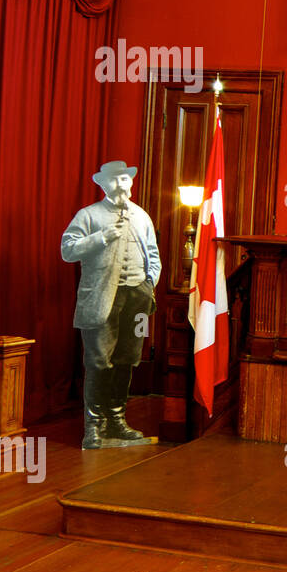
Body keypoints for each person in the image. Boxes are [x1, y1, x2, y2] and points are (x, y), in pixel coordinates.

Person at [61, 160, 161, 449]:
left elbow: (153, 254)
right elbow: (67, 249)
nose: (121, 185)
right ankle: (94, 427)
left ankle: (117, 421)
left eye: (125, 179)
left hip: (137, 298)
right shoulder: (89, 215)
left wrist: (148, 283)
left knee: (128, 359)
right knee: (98, 361)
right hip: (103, 297)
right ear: (103, 185)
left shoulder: (142, 216)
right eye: (114, 180)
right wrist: (102, 237)